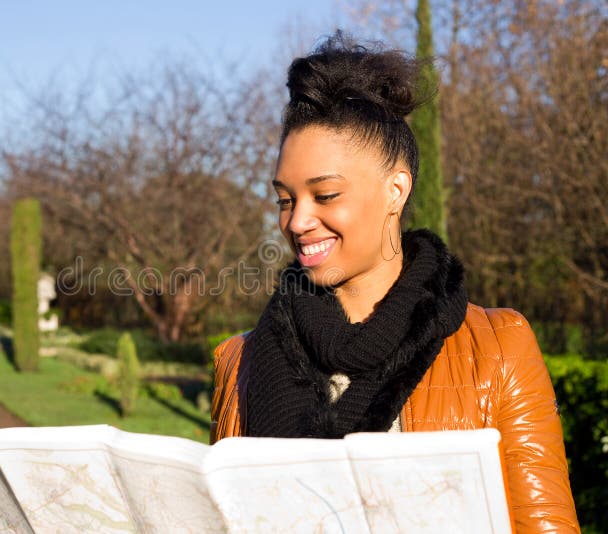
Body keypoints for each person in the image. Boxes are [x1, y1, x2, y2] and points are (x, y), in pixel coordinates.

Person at [210, 32, 579, 532]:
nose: (297, 221)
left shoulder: (499, 350)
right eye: (285, 198)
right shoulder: (240, 363)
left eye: (325, 194)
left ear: (395, 190)